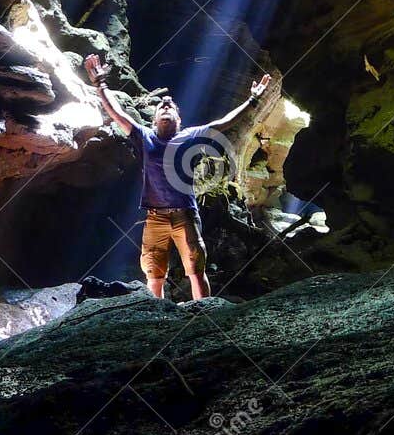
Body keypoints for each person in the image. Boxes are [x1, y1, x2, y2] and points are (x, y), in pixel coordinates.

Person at [84, 54, 272, 300]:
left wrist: (253, 99)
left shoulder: (190, 136)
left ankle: (204, 311)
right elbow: (117, 113)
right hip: (155, 217)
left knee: (195, 269)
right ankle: (158, 315)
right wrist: (100, 83)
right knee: (154, 273)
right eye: (161, 106)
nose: (166, 105)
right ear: (154, 120)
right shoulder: (145, 136)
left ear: (178, 120)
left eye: (171, 106)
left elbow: (225, 122)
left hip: (185, 215)